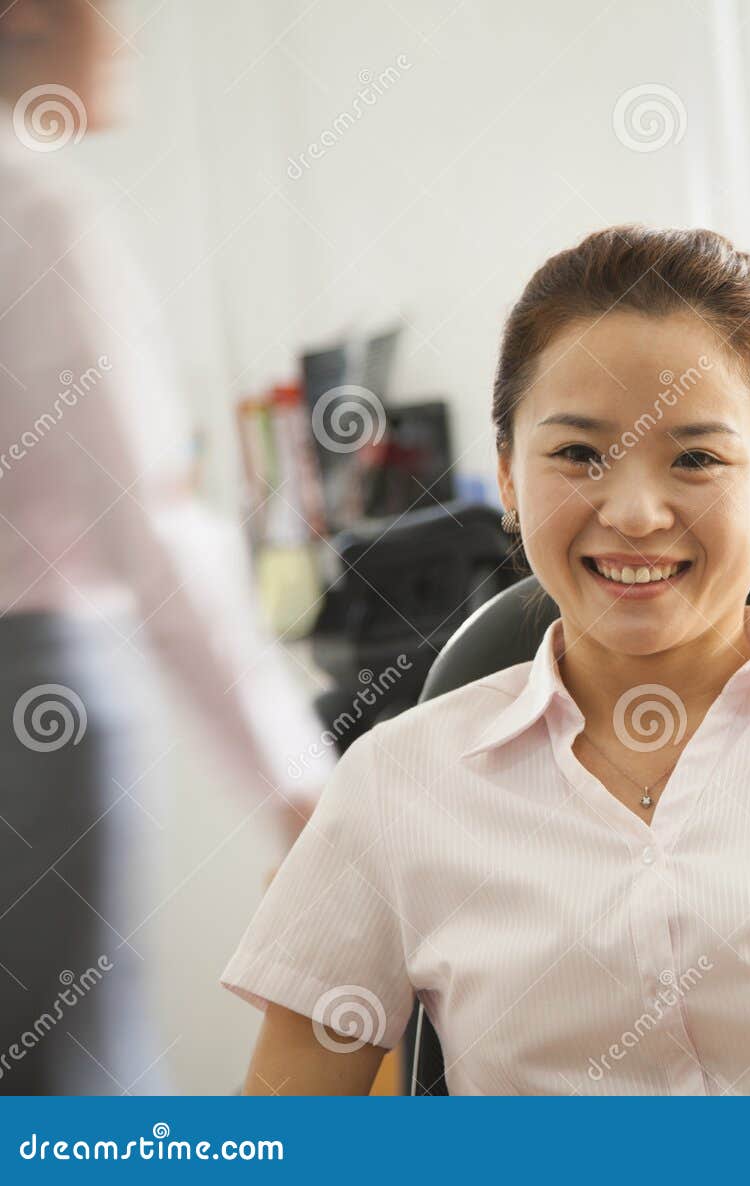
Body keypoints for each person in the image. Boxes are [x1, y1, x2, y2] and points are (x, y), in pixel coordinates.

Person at [220, 225, 750, 1096]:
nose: (636, 512)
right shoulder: (396, 781)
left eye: (695, 458)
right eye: (579, 455)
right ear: (508, 479)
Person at [0, 0, 330, 1094]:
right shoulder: (38, 208)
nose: (132, 36)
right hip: (35, 695)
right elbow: (145, 527)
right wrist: (294, 783)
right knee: (66, 1089)